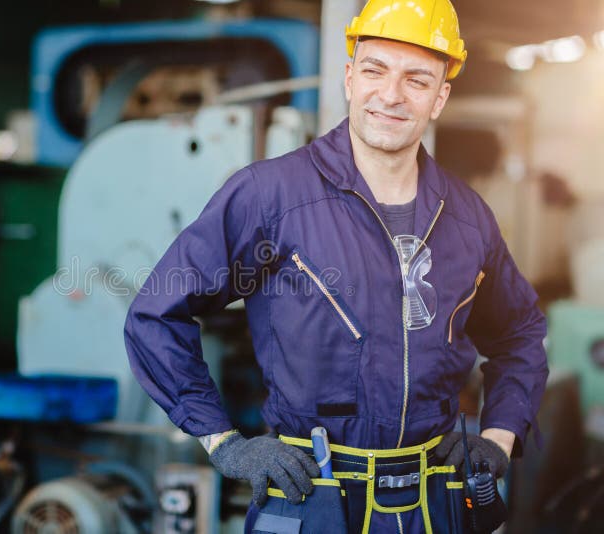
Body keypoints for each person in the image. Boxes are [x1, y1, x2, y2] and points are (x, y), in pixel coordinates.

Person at [124, 0, 549, 531]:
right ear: (350, 78)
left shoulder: (467, 220)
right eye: (375, 70)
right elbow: (156, 311)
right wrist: (224, 442)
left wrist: (499, 435)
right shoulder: (269, 195)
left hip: (431, 505)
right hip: (310, 498)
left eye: (416, 80)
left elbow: (520, 333)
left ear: (440, 97)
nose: (391, 95)